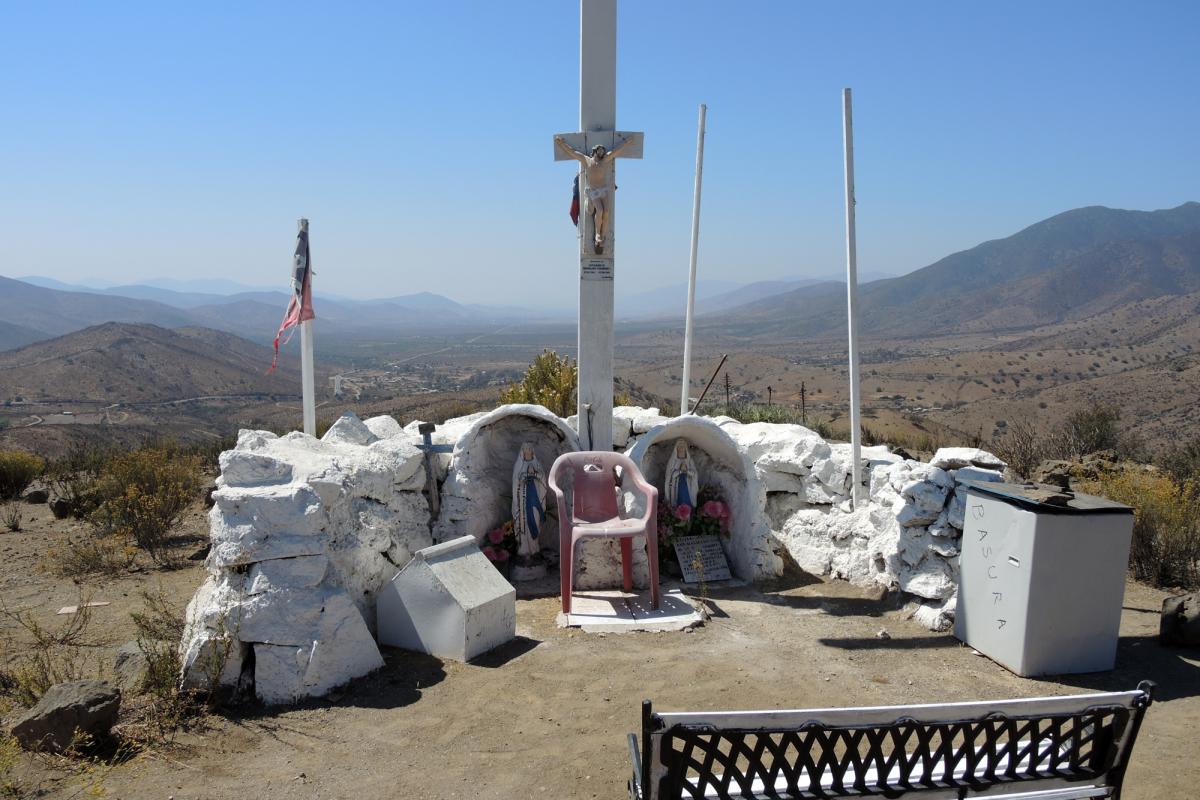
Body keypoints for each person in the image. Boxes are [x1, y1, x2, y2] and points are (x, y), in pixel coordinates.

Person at [554, 135, 634, 252]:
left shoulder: (605, 160)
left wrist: (627, 142)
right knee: (600, 211)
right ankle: (597, 235)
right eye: (599, 151)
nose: (602, 153)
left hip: (603, 191)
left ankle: (602, 235)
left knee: (606, 212)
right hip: (593, 191)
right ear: (595, 152)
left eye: (603, 151)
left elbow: (616, 151)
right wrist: (561, 144)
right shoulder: (587, 160)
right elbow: (573, 152)